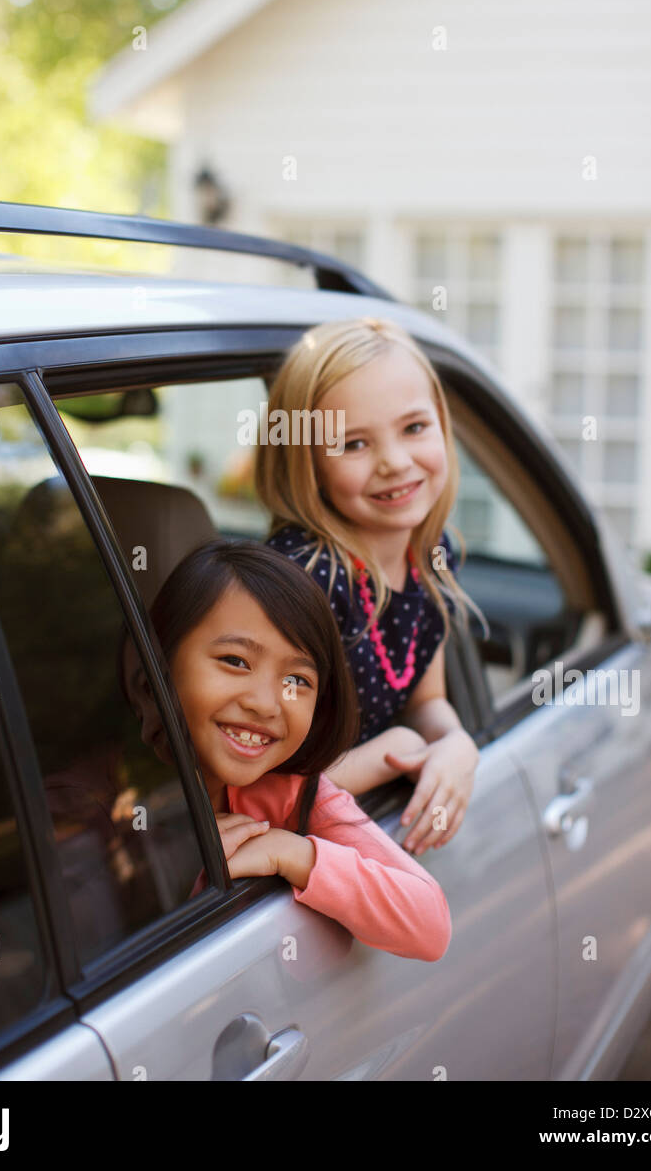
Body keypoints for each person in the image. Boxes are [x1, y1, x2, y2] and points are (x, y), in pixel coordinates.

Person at [121, 539, 451, 963]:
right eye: (236, 661)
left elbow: (429, 924)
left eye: (297, 681)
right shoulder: (106, 799)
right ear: (158, 669)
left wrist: (295, 854)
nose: (265, 703)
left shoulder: (292, 795)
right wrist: (180, 864)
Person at [255, 317, 487, 857]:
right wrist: (397, 753)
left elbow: (423, 698)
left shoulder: (431, 554)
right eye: (354, 443)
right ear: (306, 462)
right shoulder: (299, 585)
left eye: (414, 428)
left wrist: (454, 743)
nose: (395, 463)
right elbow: (264, 793)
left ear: (442, 427)